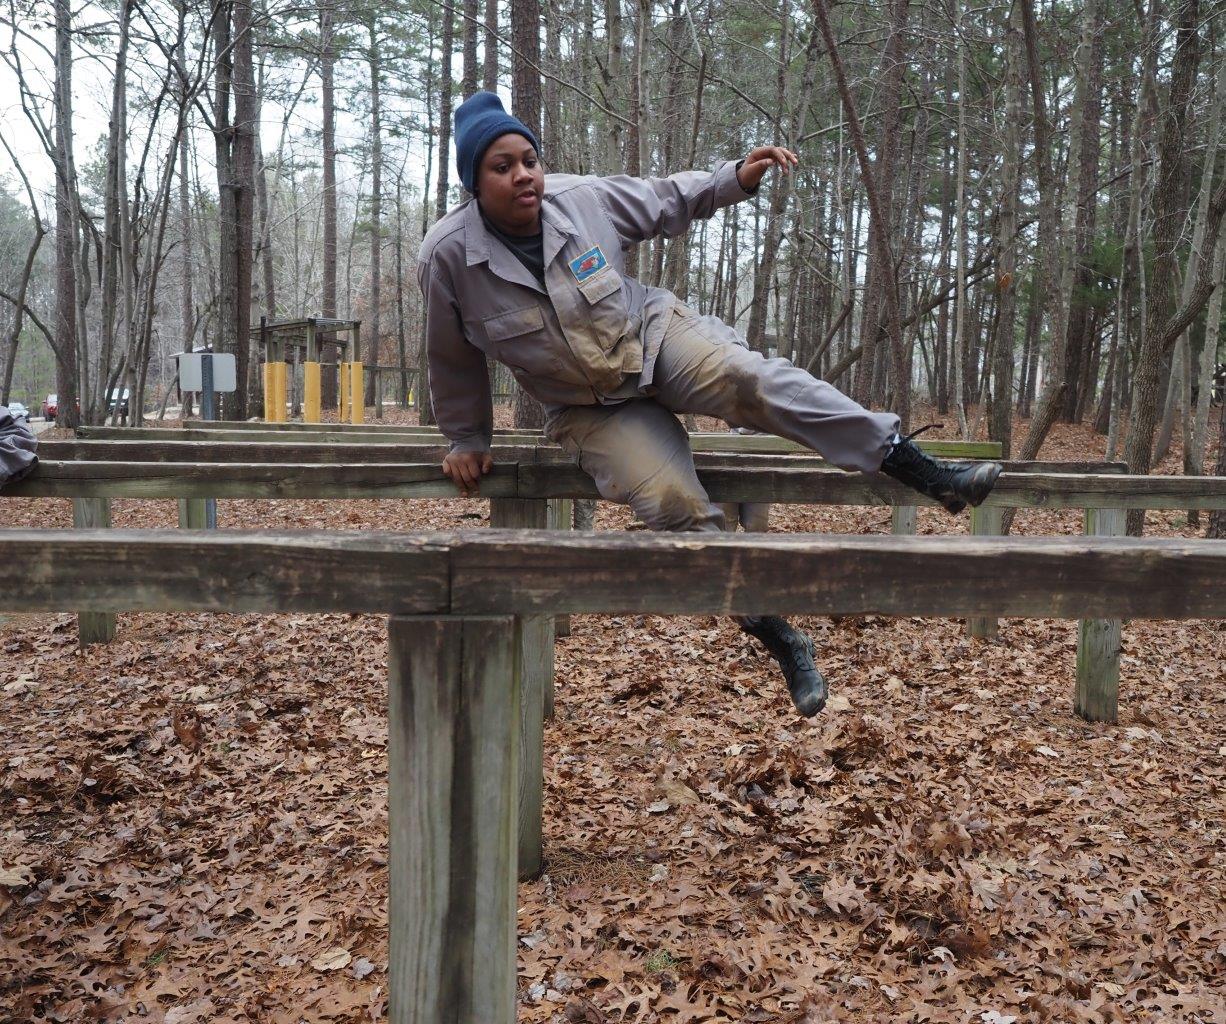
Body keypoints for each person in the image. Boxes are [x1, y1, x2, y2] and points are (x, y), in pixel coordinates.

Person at [417, 92, 1002, 717]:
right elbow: (452, 357)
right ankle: (778, 636)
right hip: (587, 407)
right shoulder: (450, 256)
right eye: (501, 167)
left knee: (750, 378)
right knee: (674, 504)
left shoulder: (580, 200)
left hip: (653, 339)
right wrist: (467, 437)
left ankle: (930, 474)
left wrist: (735, 180)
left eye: (528, 160)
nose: (522, 176)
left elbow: (666, 197)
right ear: (475, 183)